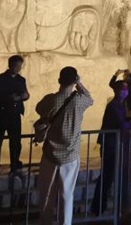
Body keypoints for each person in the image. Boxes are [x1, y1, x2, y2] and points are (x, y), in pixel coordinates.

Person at [35, 67, 93, 225]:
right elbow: (90, 98)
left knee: (46, 194)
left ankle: (45, 222)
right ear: (74, 81)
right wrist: (79, 83)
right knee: (67, 195)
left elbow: (39, 109)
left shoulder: (51, 100)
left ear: (59, 80)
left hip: (50, 154)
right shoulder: (79, 100)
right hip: (70, 155)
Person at [90, 80, 131, 216]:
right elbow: (120, 123)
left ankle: (103, 207)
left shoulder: (121, 104)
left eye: (126, 89)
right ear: (116, 90)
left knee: (110, 176)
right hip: (110, 145)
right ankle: (98, 208)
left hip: (116, 144)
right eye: (123, 89)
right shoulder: (114, 106)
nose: (125, 91)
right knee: (107, 176)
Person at [0, 55, 29, 177]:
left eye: (20, 66)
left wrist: (24, 96)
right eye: (16, 66)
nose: (18, 68)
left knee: (15, 142)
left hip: (14, 114)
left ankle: (15, 166)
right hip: (0, 114)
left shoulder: (21, 80)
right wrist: (9, 97)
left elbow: (25, 93)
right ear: (10, 65)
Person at [110, 69, 131, 152]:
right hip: (123, 108)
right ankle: (125, 146)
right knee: (124, 128)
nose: (126, 77)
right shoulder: (121, 85)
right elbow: (111, 84)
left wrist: (130, 74)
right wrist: (116, 75)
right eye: (125, 75)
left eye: (127, 76)